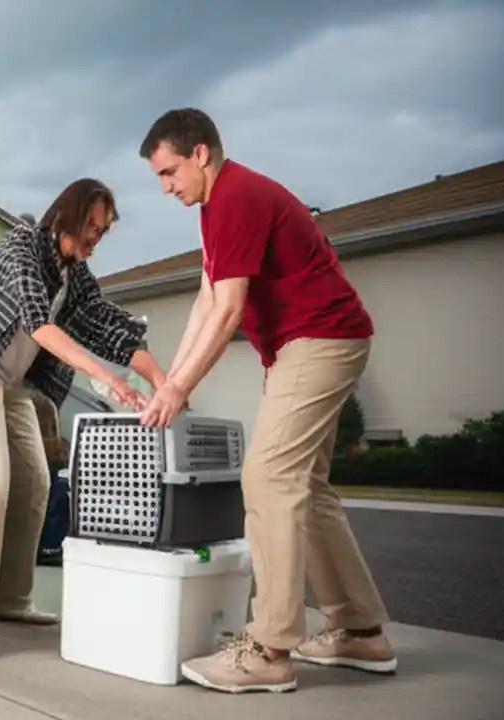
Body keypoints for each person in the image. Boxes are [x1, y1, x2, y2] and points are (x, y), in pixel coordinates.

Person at [136, 108, 395, 693]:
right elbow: (207, 301)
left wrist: (181, 389)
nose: (166, 186)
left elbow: (229, 313)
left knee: (270, 477)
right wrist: (169, 380)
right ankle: (360, 632)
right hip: (309, 344)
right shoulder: (213, 211)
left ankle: (271, 648)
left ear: (200, 153)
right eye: (158, 177)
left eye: (170, 171)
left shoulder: (237, 196)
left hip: (321, 338)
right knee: (308, 486)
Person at [0, 179, 168, 645]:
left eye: (103, 232)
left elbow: (111, 327)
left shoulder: (74, 275)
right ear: (68, 213)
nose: (95, 238)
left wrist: (165, 384)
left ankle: (13, 600)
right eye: (92, 226)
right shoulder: (20, 246)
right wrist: (106, 378)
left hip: (12, 383)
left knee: (38, 484)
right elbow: (37, 322)